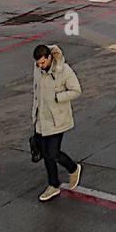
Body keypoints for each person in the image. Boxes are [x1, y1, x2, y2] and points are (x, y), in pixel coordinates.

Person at [32, 43, 82, 202]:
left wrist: (58, 97)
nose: (40, 66)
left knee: (53, 153)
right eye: (37, 63)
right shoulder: (37, 69)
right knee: (46, 155)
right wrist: (35, 114)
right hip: (42, 118)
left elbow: (76, 90)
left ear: (49, 58)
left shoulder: (64, 70)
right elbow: (36, 91)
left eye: (42, 62)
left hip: (57, 118)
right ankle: (53, 185)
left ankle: (73, 168)